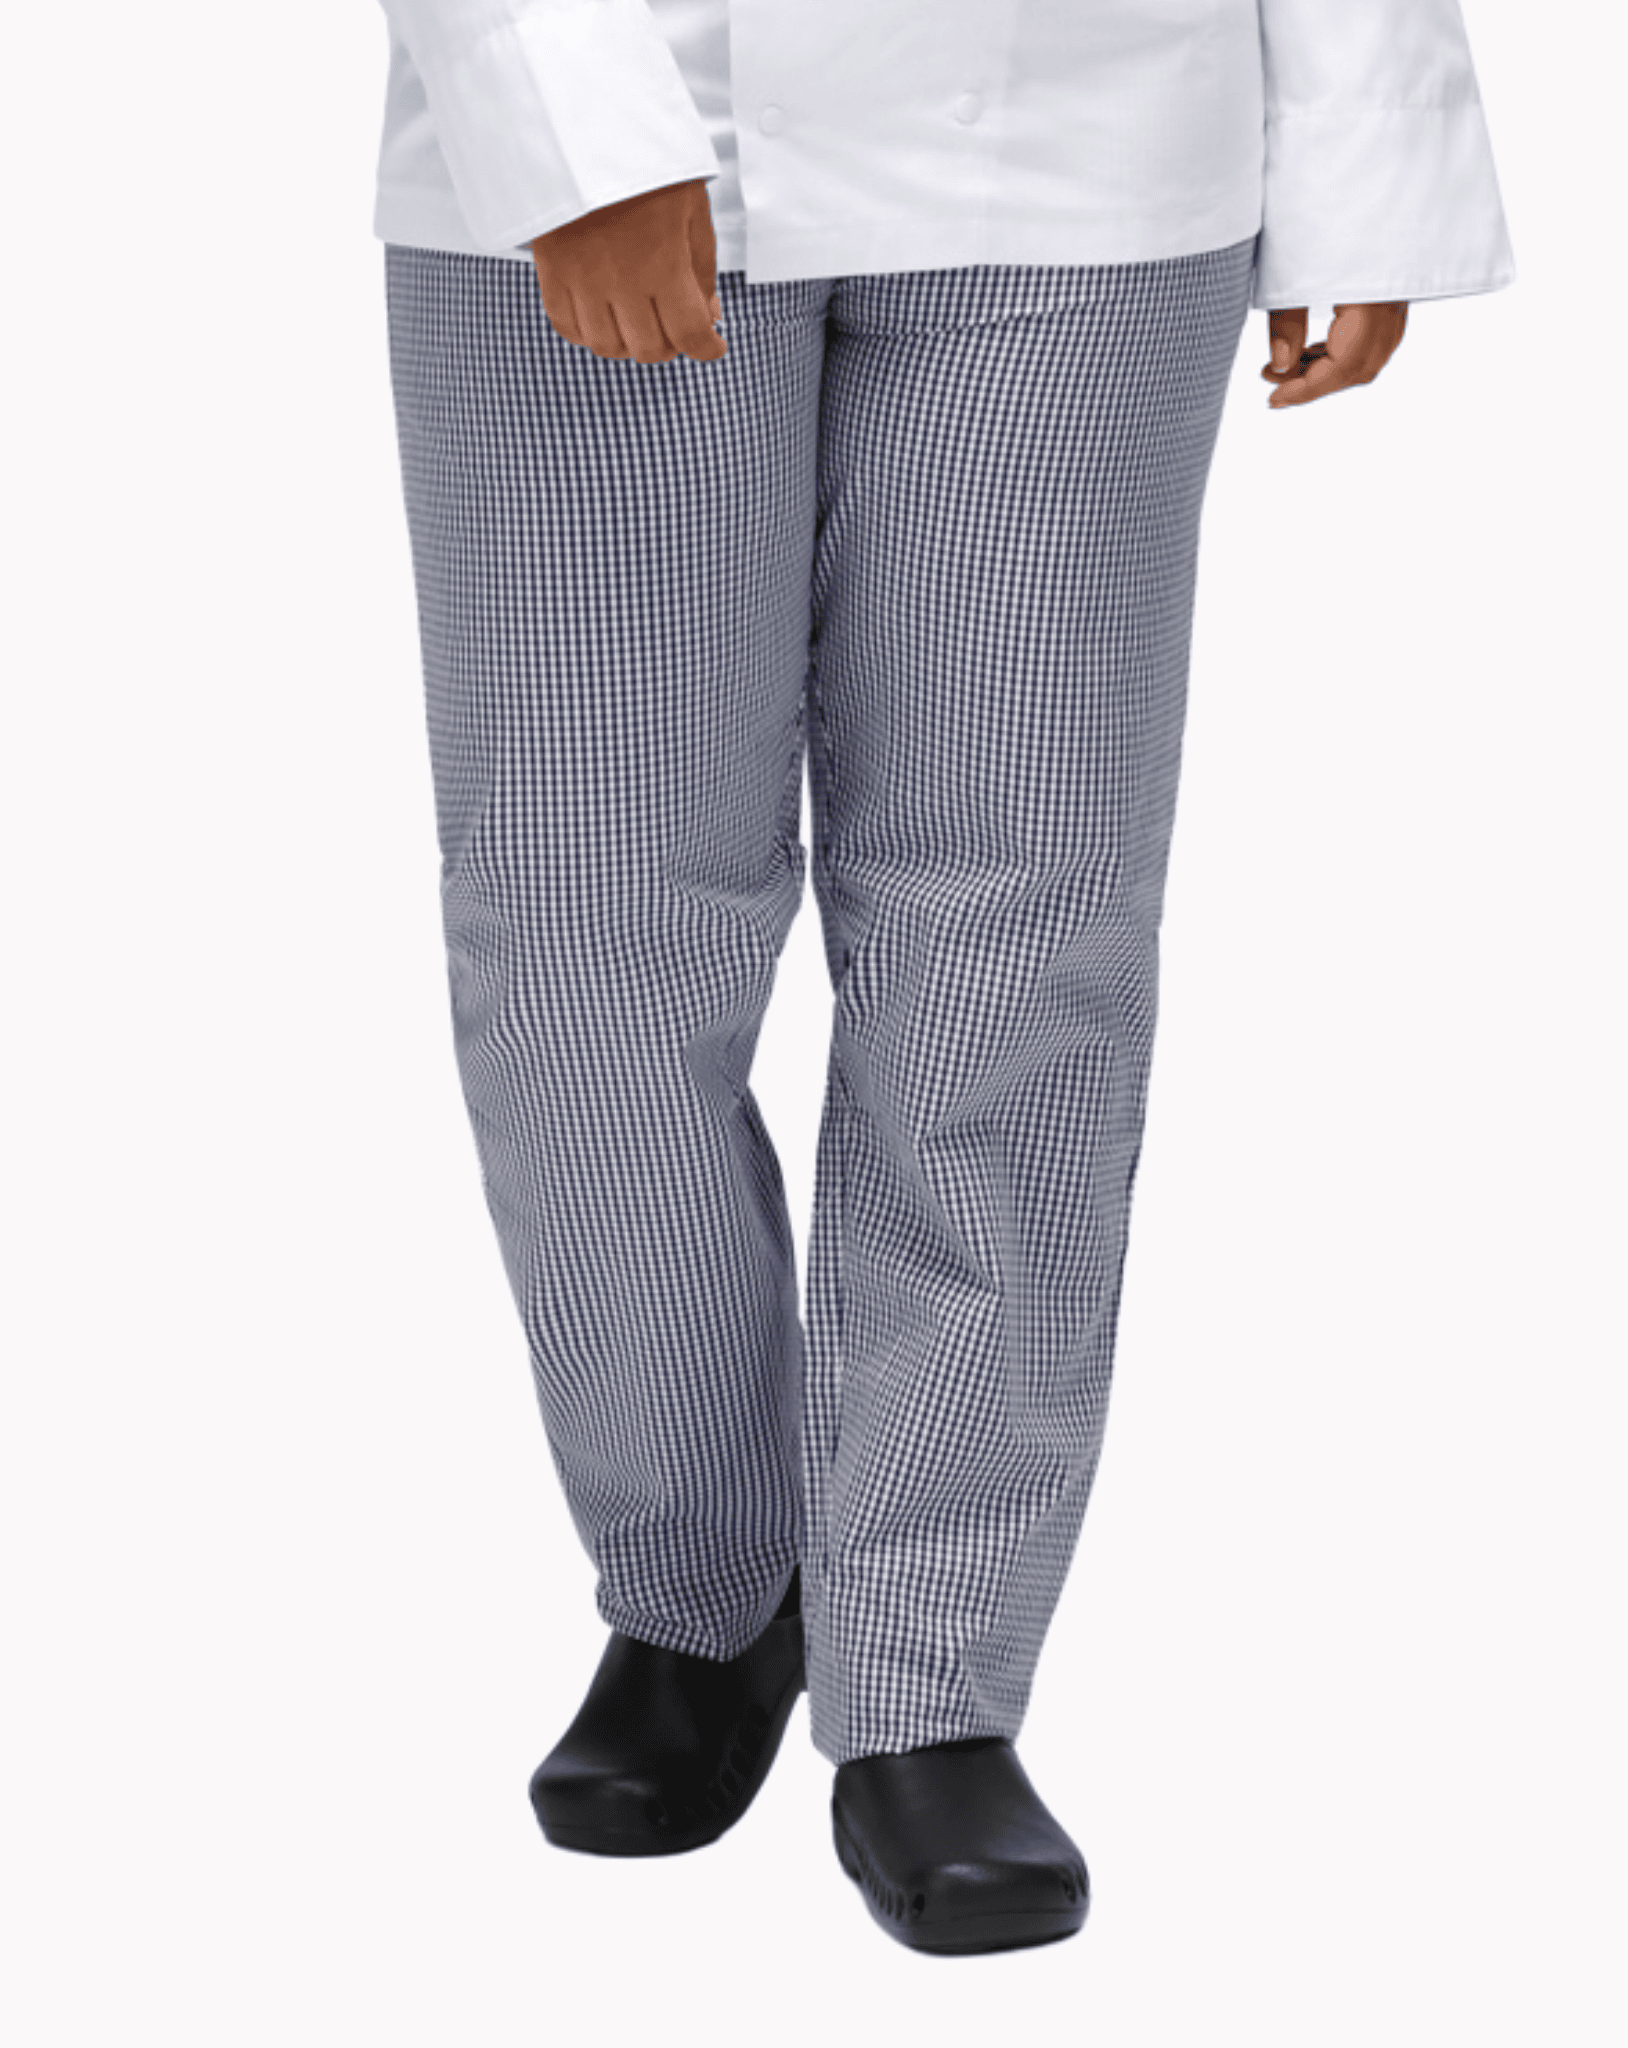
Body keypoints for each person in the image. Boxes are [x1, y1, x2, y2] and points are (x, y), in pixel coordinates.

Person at [373, 0, 1515, 1956]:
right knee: (579, 937)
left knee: (1020, 941)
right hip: (620, 114)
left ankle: (932, 1673)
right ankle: (705, 1583)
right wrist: (565, 120)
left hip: (1094, 136)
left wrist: (1362, 148)